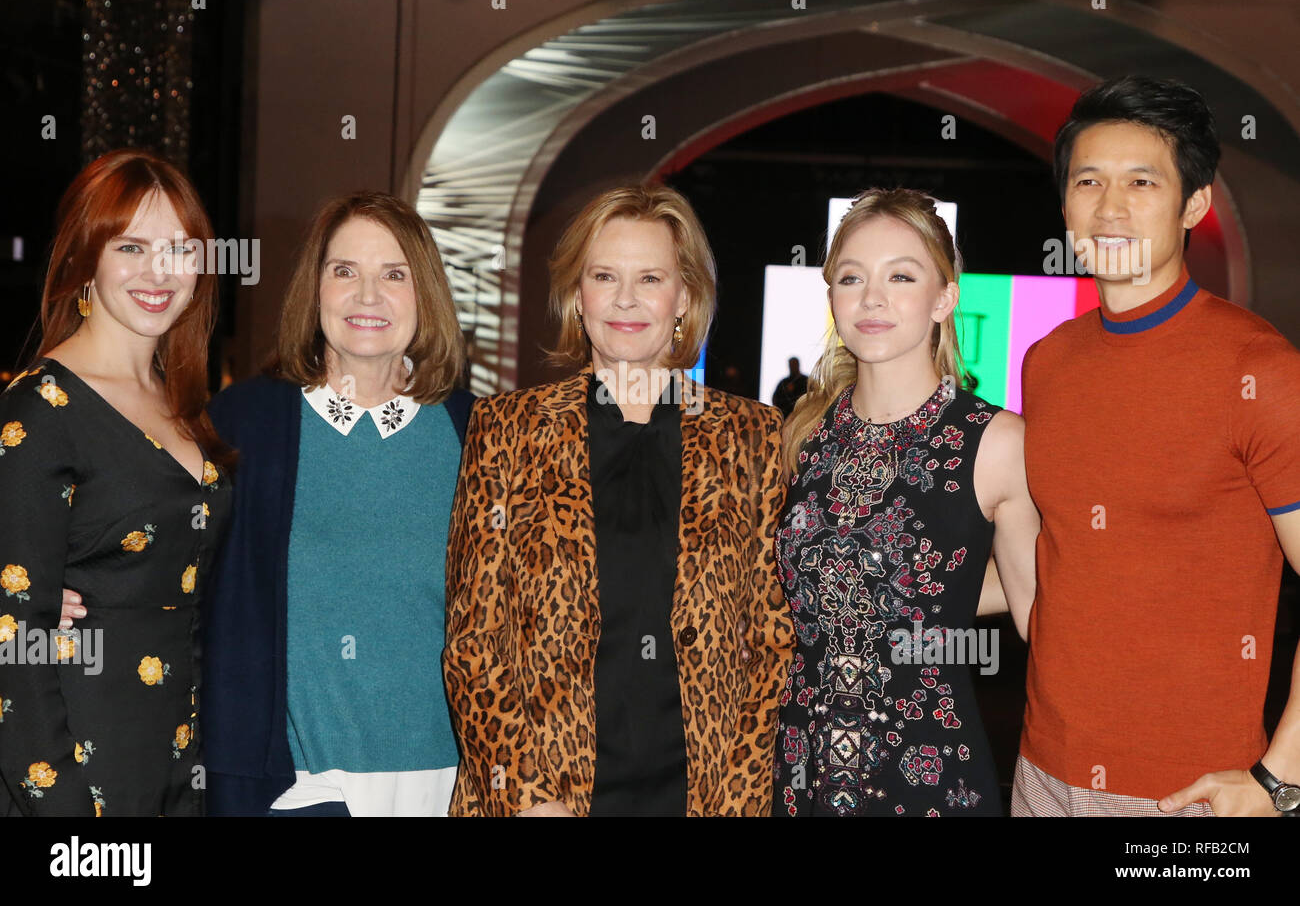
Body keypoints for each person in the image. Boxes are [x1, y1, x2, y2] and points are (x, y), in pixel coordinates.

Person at [443, 182, 793, 816]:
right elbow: (475, 641)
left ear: (685, 296)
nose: (626, 299)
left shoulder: (754, 438)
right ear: (579, 295)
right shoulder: (507, 430)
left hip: (700, 798)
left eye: (651, 278)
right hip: (546, 802)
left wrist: (734, 801)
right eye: (605, 275)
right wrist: (526, 798)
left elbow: (772, 641)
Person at [1014, 76, 1300, 817]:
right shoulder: (1046, 362)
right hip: (1040, 771)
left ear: (1194, 204)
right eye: (1089, 181)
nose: (1110, 207)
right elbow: (1063, 555)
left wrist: (1280, 777)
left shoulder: (1259, 369)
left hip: (1188, 792)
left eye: (1142, 181)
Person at [192, 193, 472, 815]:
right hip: (291, 784)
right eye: (344, 271)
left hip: (449, 784)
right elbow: (172, 559)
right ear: (313, 291)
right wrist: (80, 585)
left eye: (393, 274)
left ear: (424, 292)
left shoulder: (476, 432)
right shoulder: (244, 425)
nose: (367, 296)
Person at [772, 187, 1037, 817]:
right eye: (851, 277)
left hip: (929, 782)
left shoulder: (999, 442)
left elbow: (1044, 617)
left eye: (902, 275)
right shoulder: (800, 437)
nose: (872, 298)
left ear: (944, 297)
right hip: (797, 777)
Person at [0, 149, 232, 816]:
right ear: (86, 259)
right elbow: (15, 642)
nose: (160, 272)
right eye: (131, 246)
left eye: (179, 249)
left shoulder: (183, 403)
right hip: (75, 783)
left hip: (176, 770)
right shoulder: (41, 410)